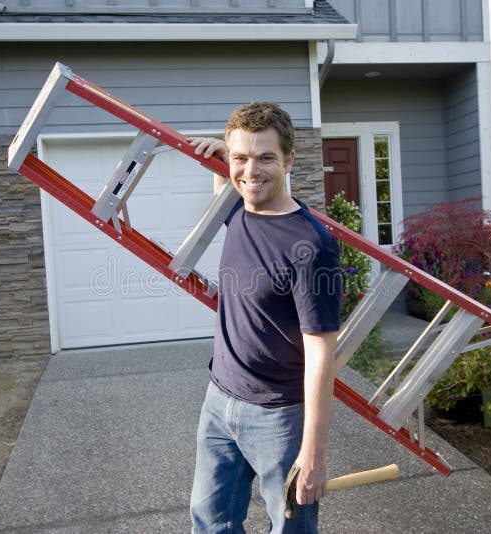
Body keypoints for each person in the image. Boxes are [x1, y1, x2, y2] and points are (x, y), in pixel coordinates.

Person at [188, 102, 342, 533]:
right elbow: (233, 179)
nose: (250, 172)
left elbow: (321, 354)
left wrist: (313, 452)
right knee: (209, 523)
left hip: (278, 418)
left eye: (265, 158)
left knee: (289, 529)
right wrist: (227, 154)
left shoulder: (311, 247)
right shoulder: (237, 209)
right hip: (219, 402)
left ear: (289, 160)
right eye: (241, 158)